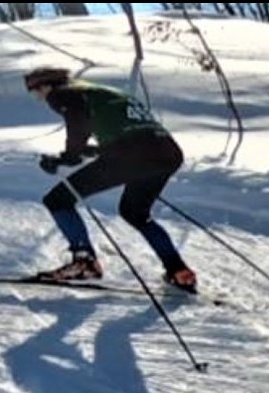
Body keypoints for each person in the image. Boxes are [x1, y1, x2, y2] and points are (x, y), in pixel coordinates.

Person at [24, 67, 196, 292]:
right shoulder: (99, 90)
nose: (38, 98)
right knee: (136, 213)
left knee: (58, 200)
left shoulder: (62, 93)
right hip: (167, 151)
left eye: (34, 92)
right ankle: (178, 270)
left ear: (46, 85)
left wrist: (69, 156)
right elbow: (123, 125)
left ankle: (84, 263)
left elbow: (78, 118)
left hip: (132, 153)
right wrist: (96, 150)